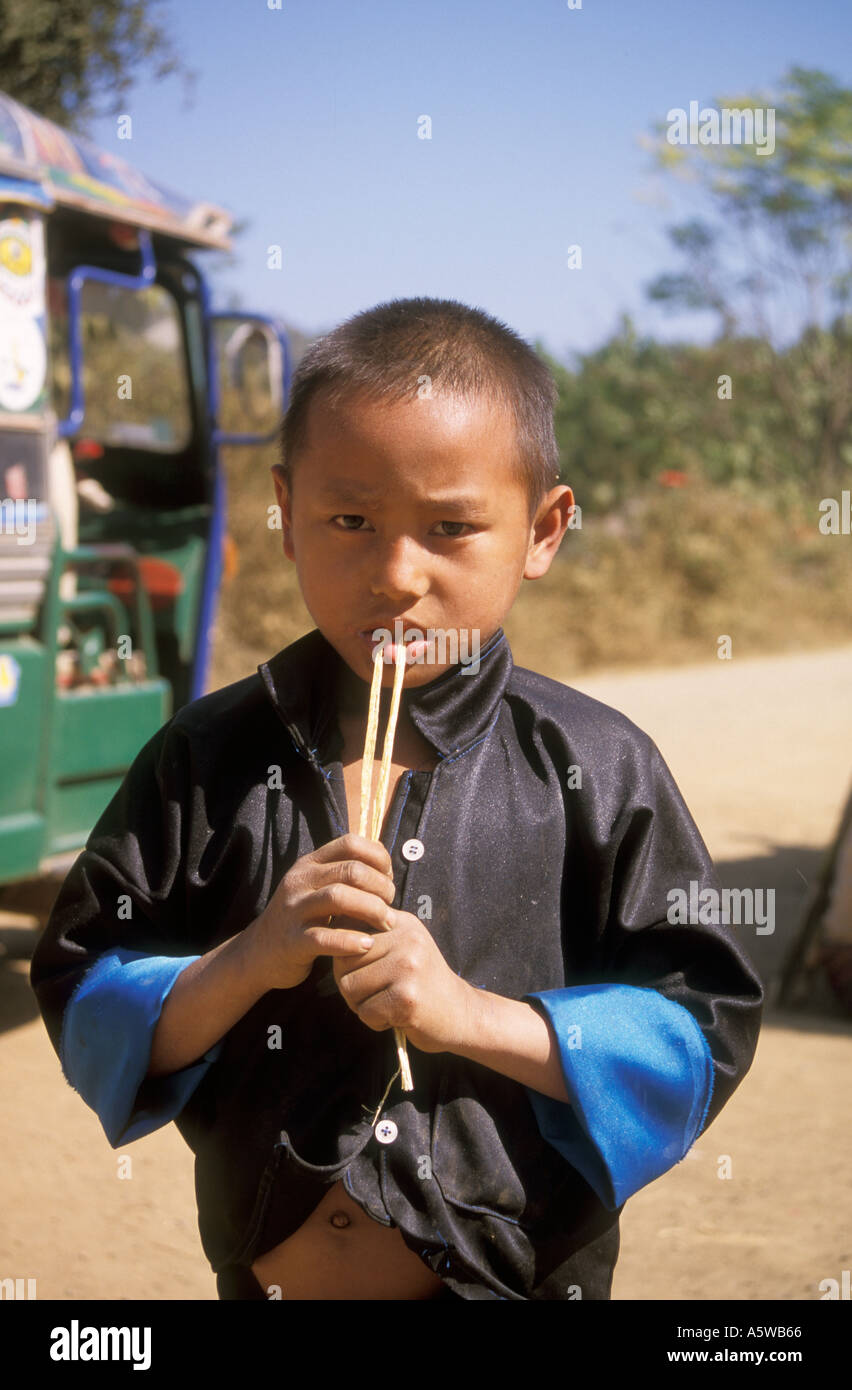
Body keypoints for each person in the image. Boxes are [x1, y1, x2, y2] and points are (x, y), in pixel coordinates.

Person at [30, 297, 763, 1301]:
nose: (395, 574)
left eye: (451, 527)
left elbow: (697, 1031)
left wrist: (470, 1016)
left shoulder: (596, 764)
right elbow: (87, 995)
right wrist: (253, 958)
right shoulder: (207, 758)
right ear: (285, 516)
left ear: (544, 530)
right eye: (350, 520)